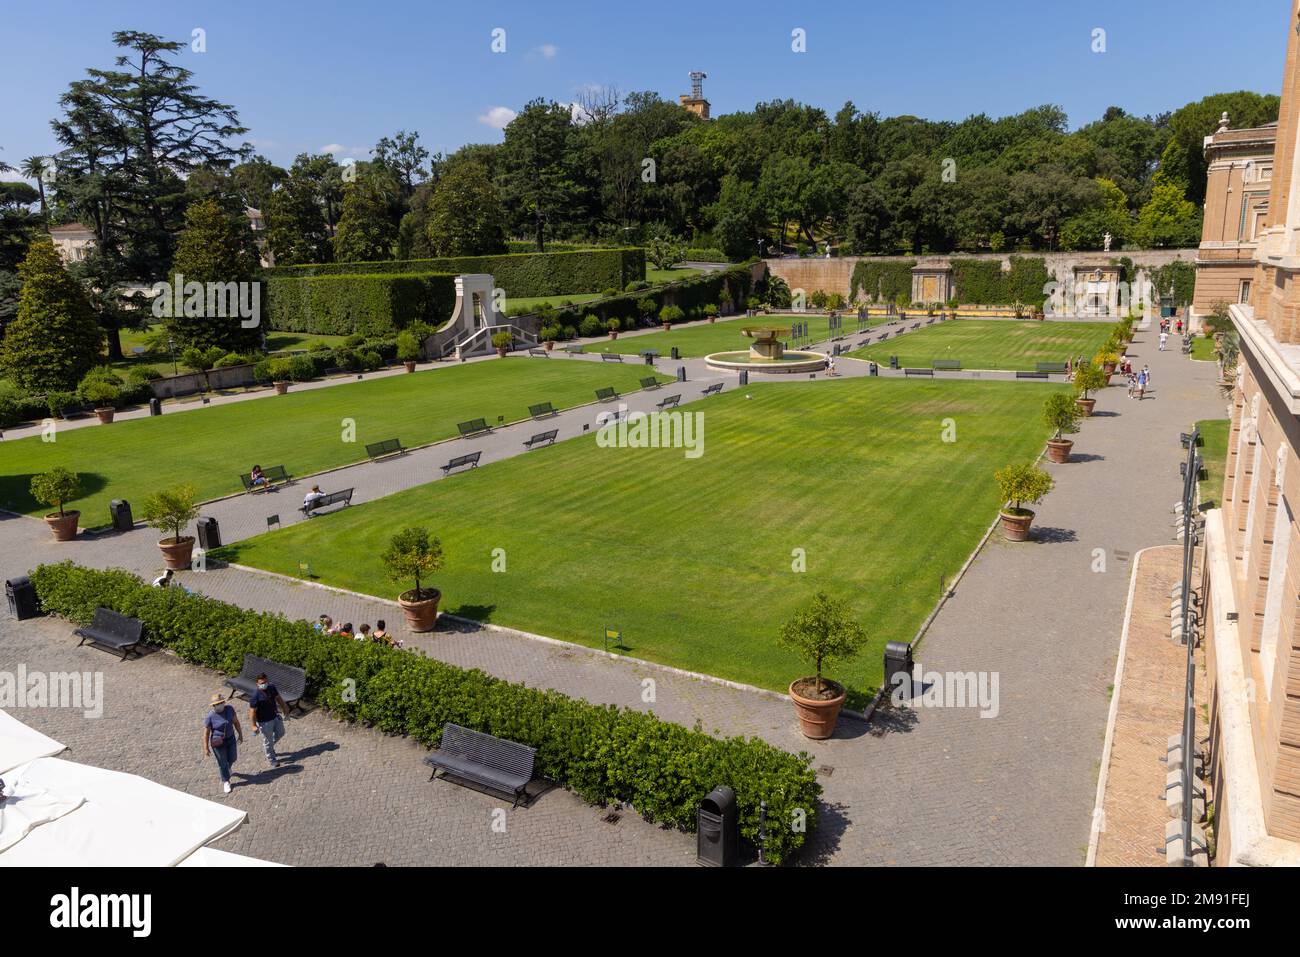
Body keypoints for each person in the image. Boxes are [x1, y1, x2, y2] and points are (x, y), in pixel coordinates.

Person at [203, 692, 243, 794]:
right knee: (222, 763)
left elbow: (236, 722)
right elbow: (206, 733)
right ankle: (226, 781)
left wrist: (240, 735)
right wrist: (206, 748)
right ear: (213, 705)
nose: (219, 705)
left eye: (221, 702)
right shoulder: (210, 716)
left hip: (230, 739)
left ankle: (228, 768)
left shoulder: (230, 709)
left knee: (233, 757)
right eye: (217, 704)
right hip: (218, 743)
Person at [248, 673, 290, 769]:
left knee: (281, 733)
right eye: (262, 683)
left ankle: (270, 747)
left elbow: (278, 698)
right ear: (257, 684)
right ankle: (272, 759)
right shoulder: (255, 695)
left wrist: (285, 708)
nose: (264, 684)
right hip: (264, 721)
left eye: (265, 682)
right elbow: (252, 712)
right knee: (268, 741)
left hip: (275, 716)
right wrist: (254, 725)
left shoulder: (271, 687)